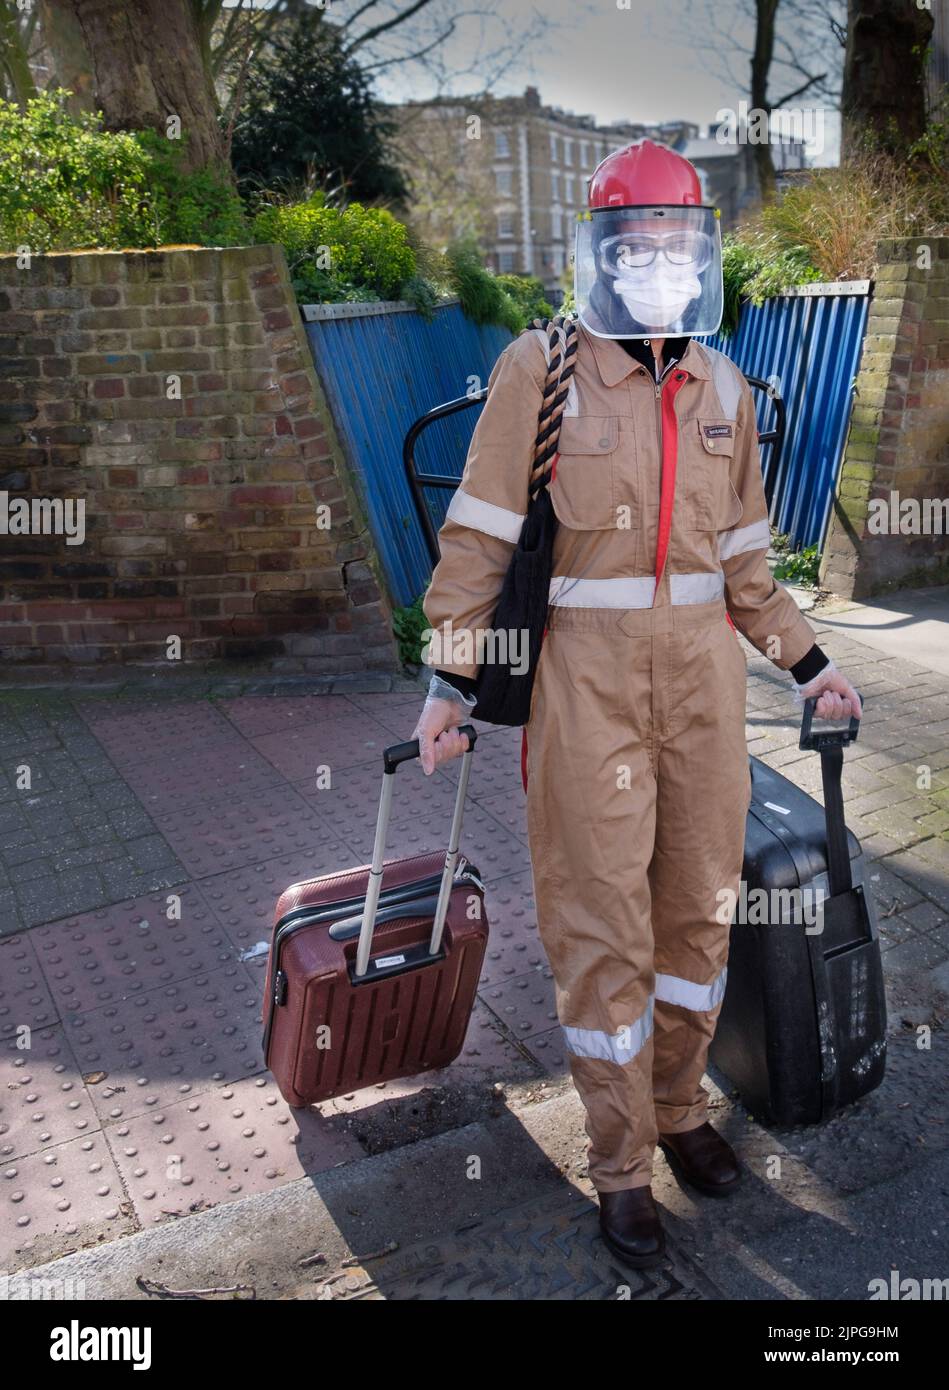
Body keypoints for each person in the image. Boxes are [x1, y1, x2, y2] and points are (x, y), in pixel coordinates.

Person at [412, 139, 861, 1269]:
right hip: (586, 690)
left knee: (700, 917)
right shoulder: (543, 369)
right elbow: (479, 533)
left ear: (698, 250)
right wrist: (447, 679)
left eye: (677, 240)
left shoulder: (724, 384)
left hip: (705, 692)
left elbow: (749, 566)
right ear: (604, 251)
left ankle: (679, 1110)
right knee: (599, 927)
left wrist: (810, 666)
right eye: (638, 240)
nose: (658, 258)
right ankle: (617, 1165)